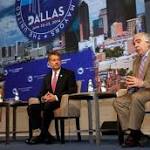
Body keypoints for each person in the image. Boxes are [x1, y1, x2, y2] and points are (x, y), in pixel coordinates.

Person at [26, 51, 77, 144]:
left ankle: (40, 137)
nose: (56, 62)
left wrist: (56, 97)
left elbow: (73, 90)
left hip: (61, 102)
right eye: (53, 60)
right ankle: (47, 135)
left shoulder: (69, 74)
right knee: (31, 108)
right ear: (49, 63)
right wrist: (43, 98)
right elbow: (41, 93)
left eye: (58, 60)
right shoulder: (47, 77)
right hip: (48, 103)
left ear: (61, 61)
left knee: (48, 106)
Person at [113, 32, 150, 147]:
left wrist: (142, 83)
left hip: (147, 90)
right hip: (139, 91)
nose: (136, 45)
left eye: (138, 42)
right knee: (118, 102)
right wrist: (131, 85)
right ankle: (136, 133)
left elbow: (142, 82)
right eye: (134, 43)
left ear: (148, 43)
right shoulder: (136, 60)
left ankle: (133, 136)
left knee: (136, 97)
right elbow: (136, 80)